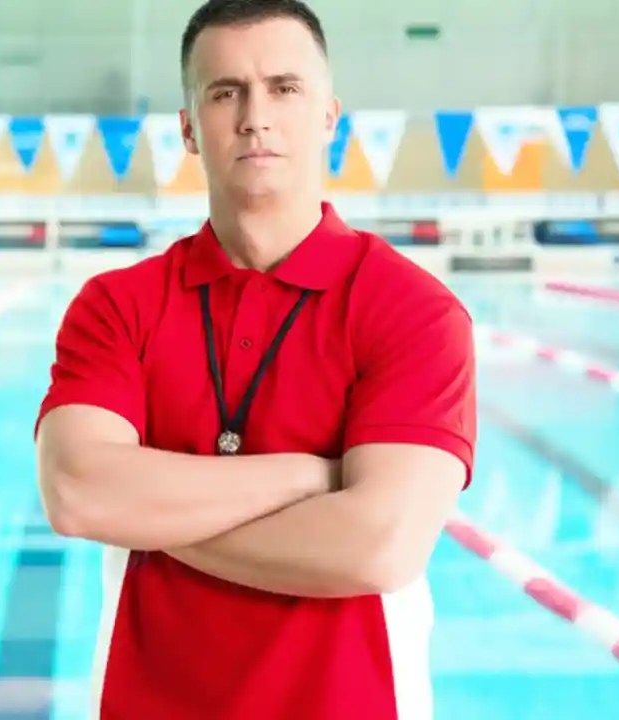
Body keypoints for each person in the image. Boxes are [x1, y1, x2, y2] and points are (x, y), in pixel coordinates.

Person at [33, 1, 477, 718]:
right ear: (188, 128)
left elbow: (378, 547)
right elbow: (79, 493)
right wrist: (307, 478)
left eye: (284, 88)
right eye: (225, 91)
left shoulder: (412, 311)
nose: (254, 116)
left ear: (329, 117)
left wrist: (152, 510)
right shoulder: (118, 305)